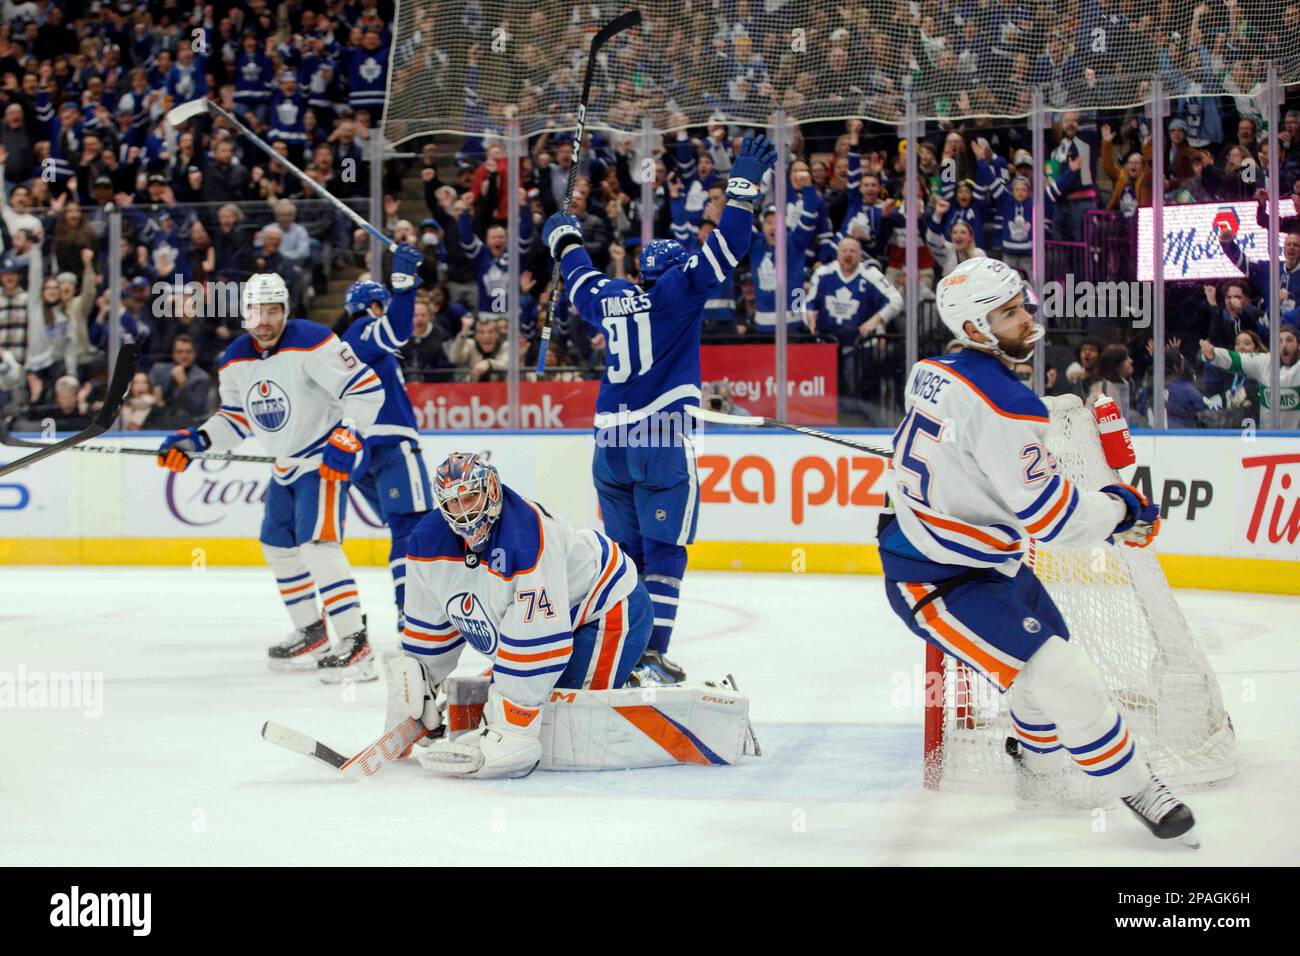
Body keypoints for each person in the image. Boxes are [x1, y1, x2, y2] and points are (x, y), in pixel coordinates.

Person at [877, 256, 1197, 845]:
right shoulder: (1007, 404)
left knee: (1044, 666)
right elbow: (1053, 520)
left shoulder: (929, 370)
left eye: (1023, 303)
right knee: (1067, 675)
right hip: (934, 580)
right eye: (1009, 313)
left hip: (981, 559)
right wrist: (1121, 509)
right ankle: (1135, 784)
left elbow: (949, 443)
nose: (1027, 318)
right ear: (975, 330)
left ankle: (1038, 768)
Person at [540, 131, 777, 683]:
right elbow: (730, 245)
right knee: (665, 554)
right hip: (660, 442)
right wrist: (741, 188)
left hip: (608, 449)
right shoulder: (681, 289)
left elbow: (576, 277)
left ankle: (620, 651)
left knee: (624, 556)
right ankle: (649, 656)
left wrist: (563, 237)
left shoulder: (609, 296)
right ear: (672, 270)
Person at [155, 273, 384, 681]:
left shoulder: (313, 340)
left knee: (318, 546)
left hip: (322, 461)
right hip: (284, 465)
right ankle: (312, 630)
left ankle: (355, 641)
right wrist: (197, 441)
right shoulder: (234, 358)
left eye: (273, 310)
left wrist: (348, 434)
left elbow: (366, 389)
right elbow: (236, 418)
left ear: (285, 311)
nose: (265, 321)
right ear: (244, 314)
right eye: (257, 311)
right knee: (278, 547)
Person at [393, 452, 653, 779]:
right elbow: (429, 632)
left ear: (490, 490)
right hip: (560, 617)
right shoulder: (426, 543)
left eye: (471, 497)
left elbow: (537, 640)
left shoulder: (528, 533)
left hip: (607, 609)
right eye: (453, 504)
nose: (465, 513)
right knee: (499, 705)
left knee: (563, 718)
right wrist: (417, 696)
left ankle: (644, 674)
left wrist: (514, 728)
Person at [340, 246, 433, 632]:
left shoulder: (344, 343)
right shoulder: (362, 332)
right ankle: (409, 610)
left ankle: (407, 606)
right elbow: (398, 328)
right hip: (389, 443)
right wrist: (404, 286)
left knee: (404, 526)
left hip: (362, 449)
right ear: (374, 306)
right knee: (411, 526)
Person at [1200, 323, 1300, 428]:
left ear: (1299, 345)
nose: (1284, 344)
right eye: (1279, 341)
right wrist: (1214, 354)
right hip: (1268, 438)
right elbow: (1236, 360)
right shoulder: (1264, 362)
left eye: (1289, 340)